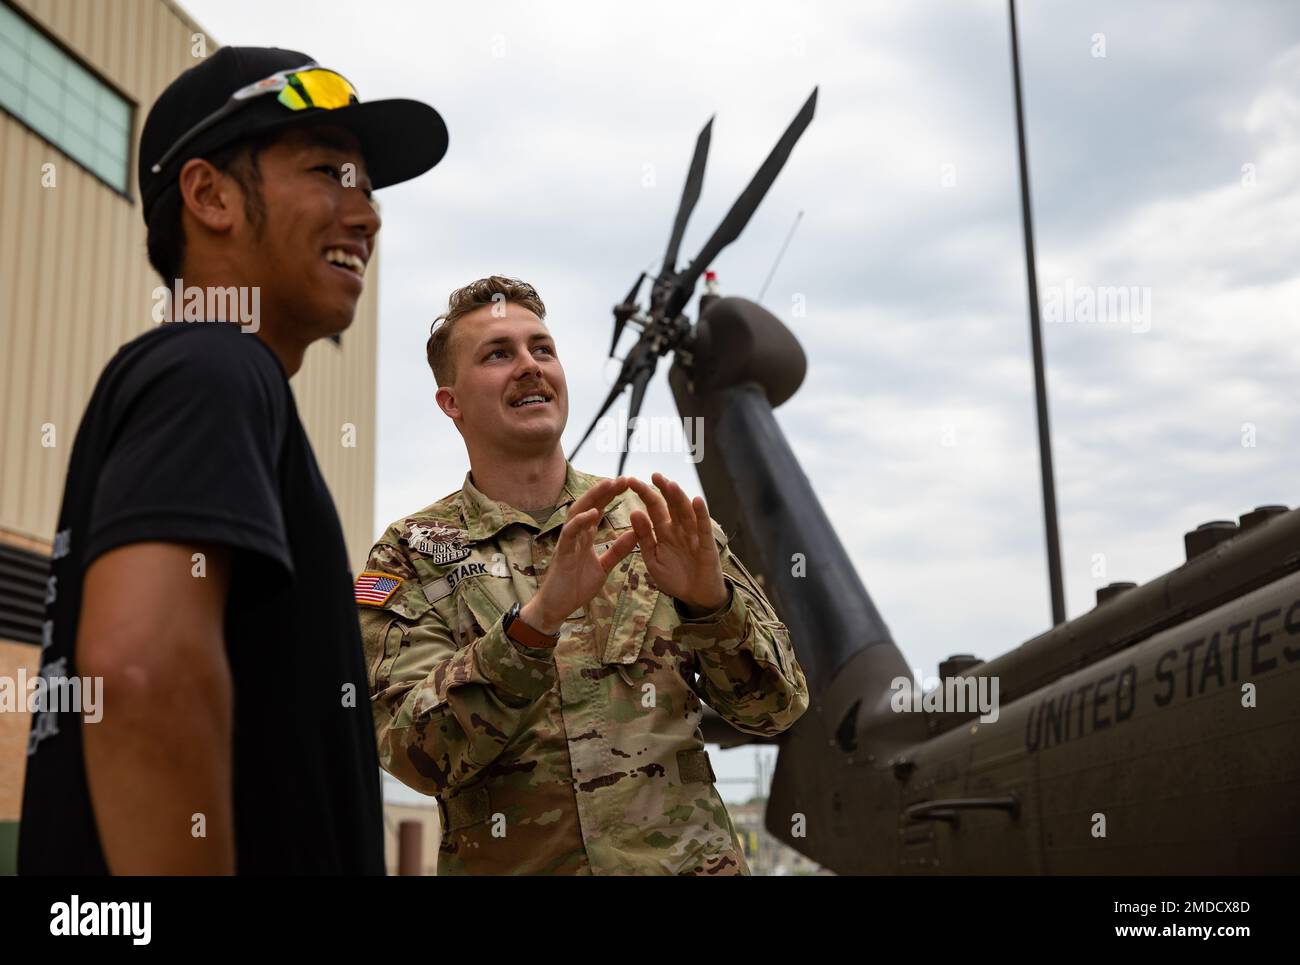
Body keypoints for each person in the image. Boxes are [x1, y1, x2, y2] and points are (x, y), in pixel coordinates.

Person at [18, 46, 448, 874]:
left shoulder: (197, 377)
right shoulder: (214, 368)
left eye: (368, 186)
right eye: (330, 171)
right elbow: (140, 669)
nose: (368, 216)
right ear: (210, 195)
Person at [357, 275, 808, 875]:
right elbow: (415, 755)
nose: (529, 366)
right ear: (452, 402)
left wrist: (711, 606)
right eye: (499, 354)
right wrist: (533, 626)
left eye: (541, 349)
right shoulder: (408, 555)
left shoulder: (652, 522)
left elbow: (778, 709)